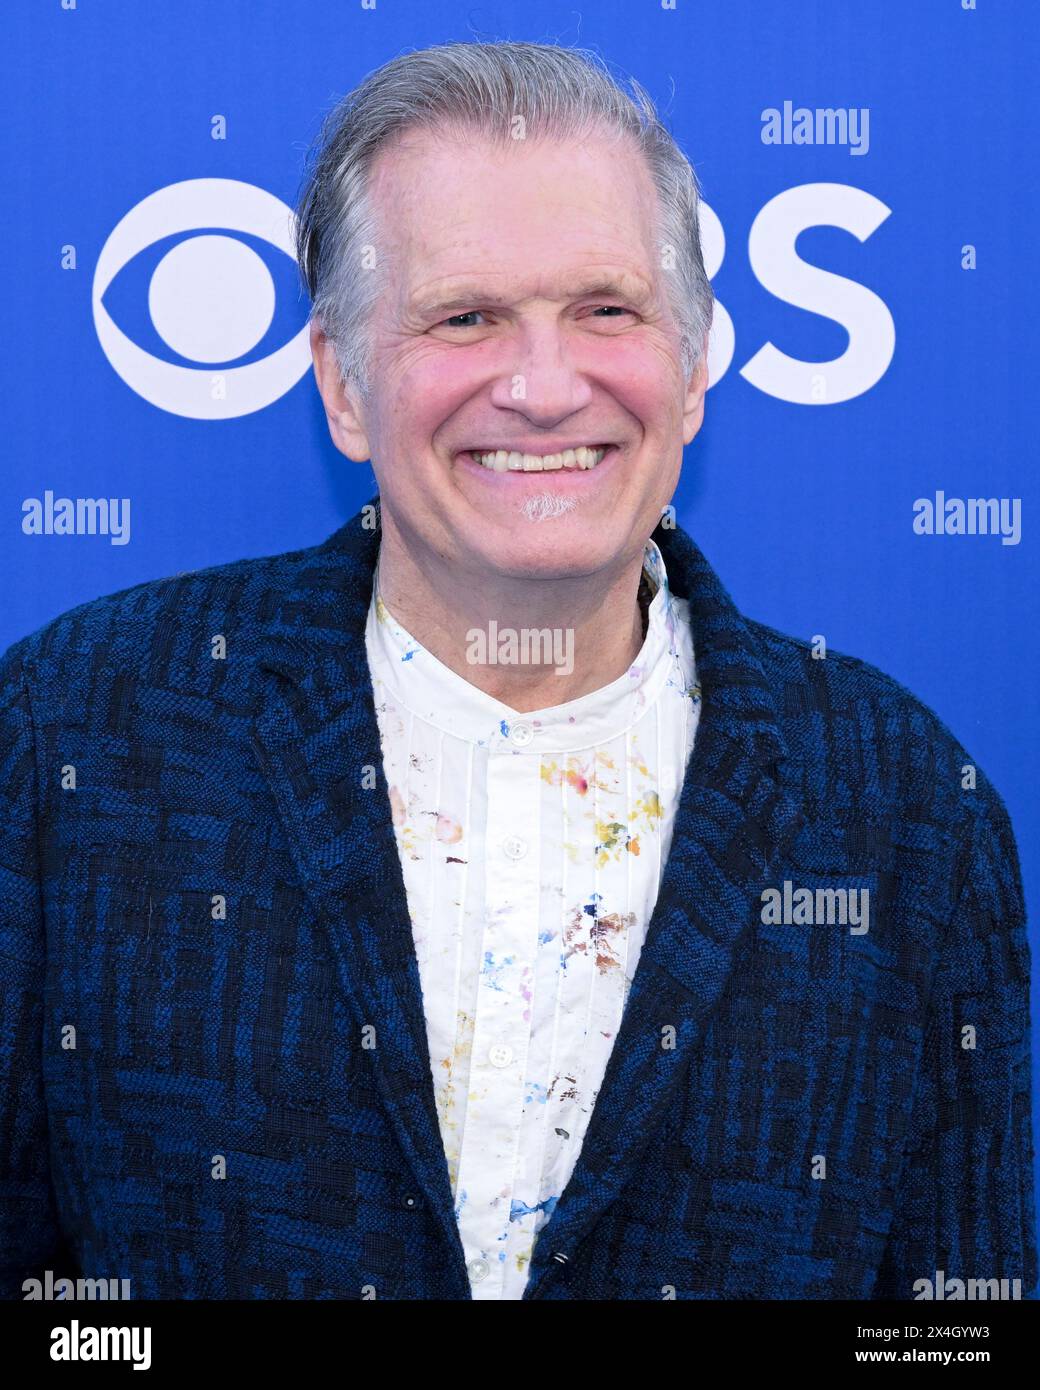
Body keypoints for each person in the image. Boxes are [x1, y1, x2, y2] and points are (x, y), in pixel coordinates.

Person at [0, 40, 1034, 1301]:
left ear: (694, 361)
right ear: (340, 383)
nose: (543, 387)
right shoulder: (73, 736)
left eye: (605, 309)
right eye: (464, 317)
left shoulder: (909, 806)